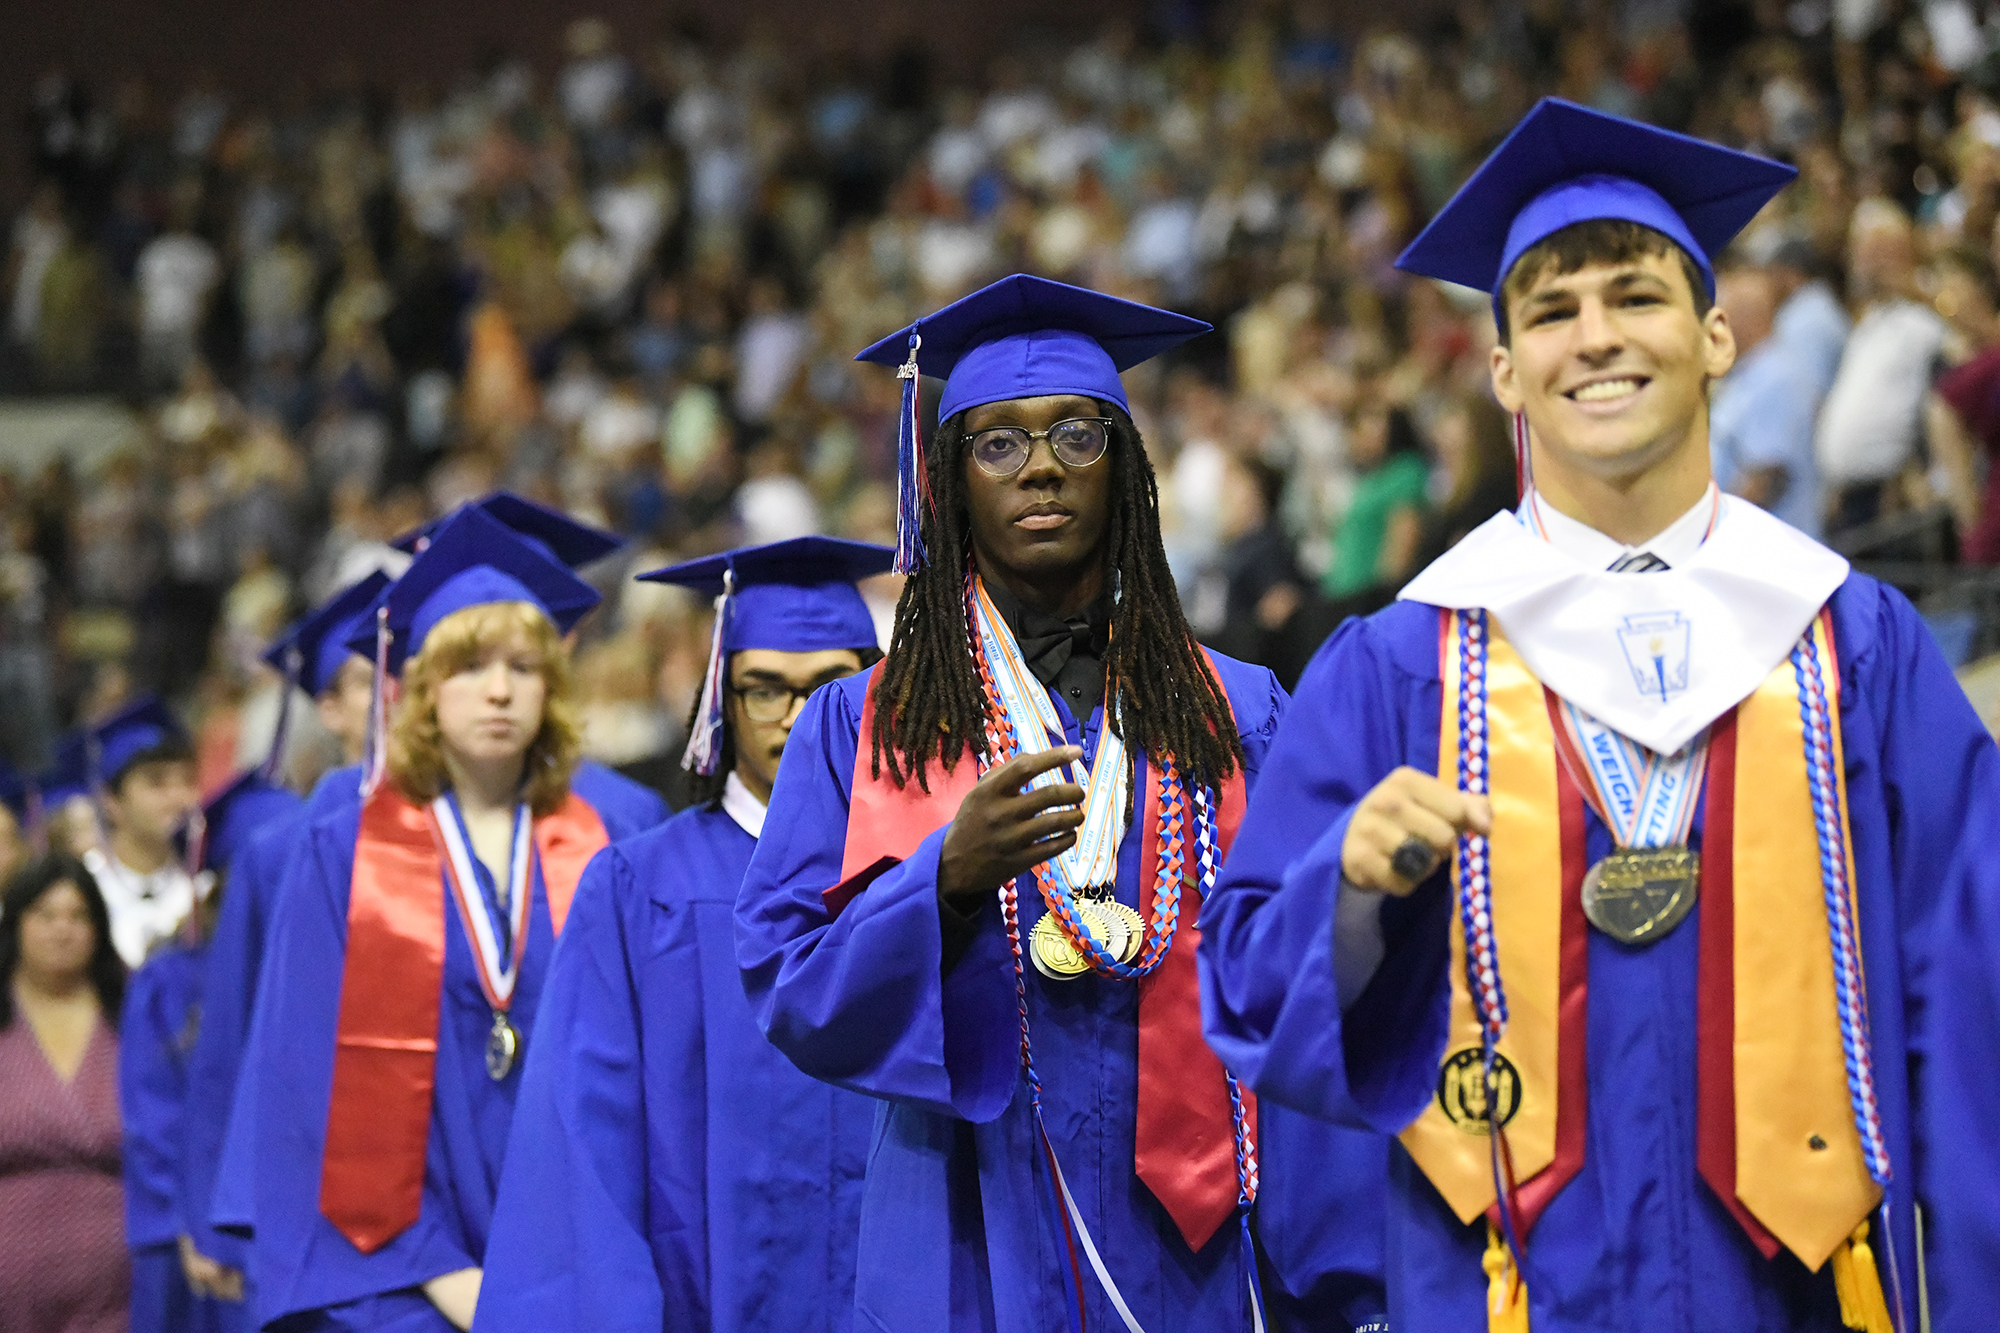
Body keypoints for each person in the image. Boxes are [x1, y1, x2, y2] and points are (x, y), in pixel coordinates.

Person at [1201, 96, 2000, 1330]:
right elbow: (1252, 988)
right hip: (1503, 1291)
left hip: (1811, 1293)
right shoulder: (1399, 664)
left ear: (1715, 336)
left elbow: (1966, 985)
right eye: (1550, 311)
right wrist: (1348, 894)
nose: (1595, 338)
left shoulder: (1849, 643)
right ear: (1503, 370)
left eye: (1634, 296)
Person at [737, 274, 1373, 1331]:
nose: (1040, 465)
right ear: (948, 482)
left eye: (1077, 434)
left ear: (1125, 470)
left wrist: (1356, 1285)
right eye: (999, 443)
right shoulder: (864, 723)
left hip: (1202, 1247)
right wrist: (943, 883)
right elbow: (787, 980)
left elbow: (1312, 991)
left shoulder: (1236, 710)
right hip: (966, 1226)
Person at [191, 495, 664, 1297]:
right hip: (402, 1276)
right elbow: (304, 1076)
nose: (499, 691)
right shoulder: (342, 848)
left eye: (524, 668)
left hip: (578, 1259)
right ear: (419, 687)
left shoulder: (609, 840)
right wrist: (443, 1279)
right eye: (469, 668)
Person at [474, 536, 893, 1333]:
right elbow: (584, 1150)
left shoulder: (919, 878)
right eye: (764, 689)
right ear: (720, 701)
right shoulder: (639, 888)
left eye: (829, 687)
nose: (797, 717)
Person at [122, 773, 300, 1333]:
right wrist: (193, 1214)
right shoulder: (172, 982)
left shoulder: (318, 970)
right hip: (212, 1235)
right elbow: (158, 1119)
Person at [0, 854, 129, 1333]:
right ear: (16, 923)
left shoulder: (132, 1010)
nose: (63, 930)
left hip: (121, 1292)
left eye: (78, 916)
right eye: (46, 915)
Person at [54, 698, 204, 969]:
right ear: (111, 801)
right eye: (156, 782)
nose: (179, 798)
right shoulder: (81, 887)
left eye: (187, 781)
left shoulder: (203, 884)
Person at [1710, 261, 1824, 537]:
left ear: (1749, 318)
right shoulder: (1746, 374)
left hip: (1767, 546)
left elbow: (1766, 479)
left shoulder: (1778, 378)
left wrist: (1714, 534)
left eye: (1722, 318)